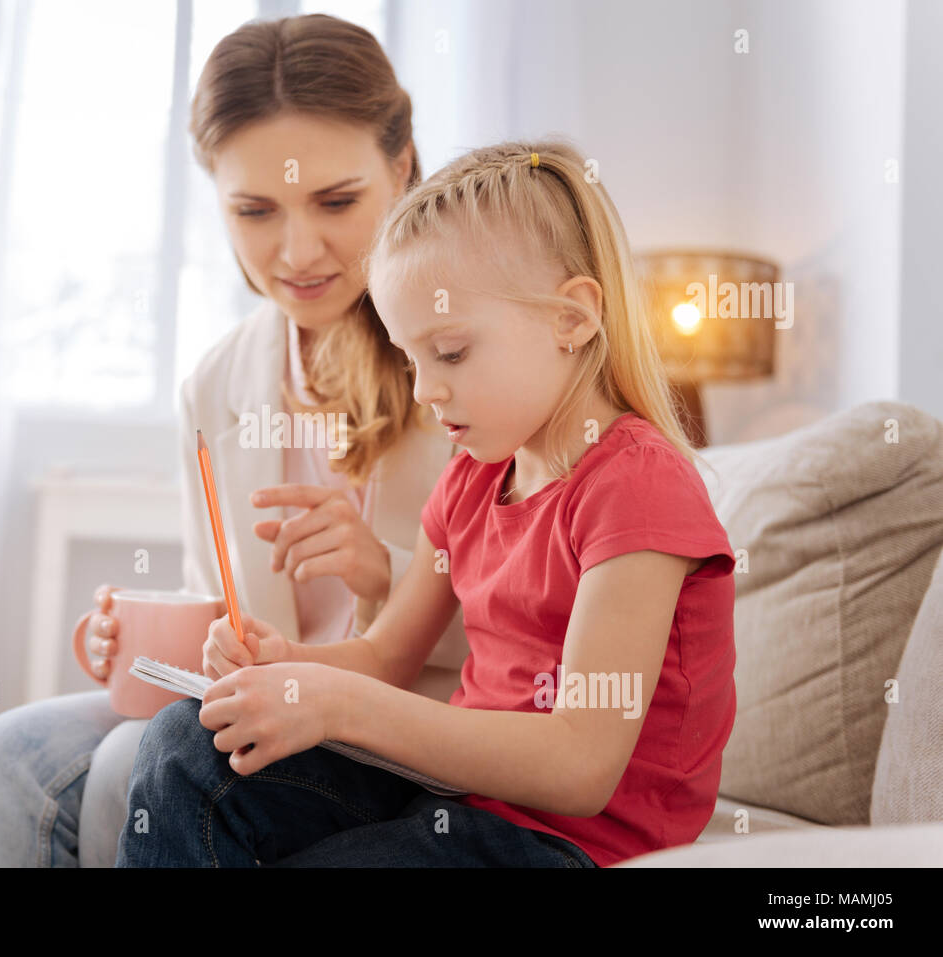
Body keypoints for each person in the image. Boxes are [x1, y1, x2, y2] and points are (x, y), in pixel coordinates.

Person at [115, 140, 738, 868]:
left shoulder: (637, 485)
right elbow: (386, 655)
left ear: (572, 318)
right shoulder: (474, 478)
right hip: (452, 800)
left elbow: (580, 765)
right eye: (410, 359)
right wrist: (289, 665)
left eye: (449, 352)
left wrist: (339, 706)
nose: (423, 391)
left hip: (571, 844)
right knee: (185, 744)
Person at [0, 14, 469, 867]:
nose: (297, 250)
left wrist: (382, 567)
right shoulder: (217, 383)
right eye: (255, 210)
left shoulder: (467, 350)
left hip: (406, 719)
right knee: (4, 755)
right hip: (265, 703)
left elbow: (527, 623)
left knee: (133, 759)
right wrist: (131, 642)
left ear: (403, 166)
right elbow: (224, 603)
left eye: (336, 202)